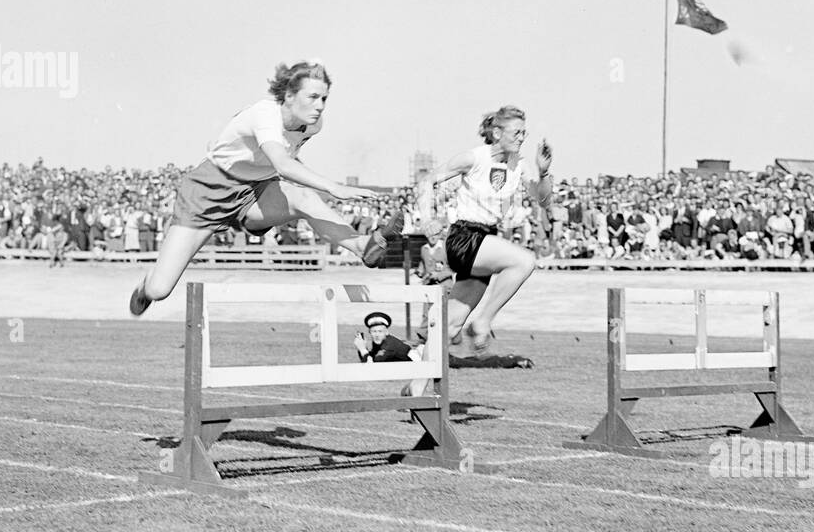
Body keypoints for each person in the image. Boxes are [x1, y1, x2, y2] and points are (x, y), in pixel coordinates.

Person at [129, 61, 398, 315]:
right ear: (289, 96)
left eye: (324, 98)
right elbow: (282, 163)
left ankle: (363, 246)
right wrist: (334, 187)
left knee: (305, 197)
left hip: (256, 190)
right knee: (159, 289)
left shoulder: (313, 125)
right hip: (208, 192)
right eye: (312, 97)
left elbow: (286, 158)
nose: (319, 106)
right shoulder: (265, 114)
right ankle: (146, 286)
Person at [418, 105, 553, 352]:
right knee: (524, 261)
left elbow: (543, 200)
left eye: (525, 133)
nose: (522, 138)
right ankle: (483, 321)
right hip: (463, 238)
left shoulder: (519, 164)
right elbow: (426, 182)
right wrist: (427, 220)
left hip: (485, 244)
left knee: (449, 328)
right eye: (516, 132)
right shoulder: (473, 158)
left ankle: (417, 385)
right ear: (497, 133)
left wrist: (544, 172)